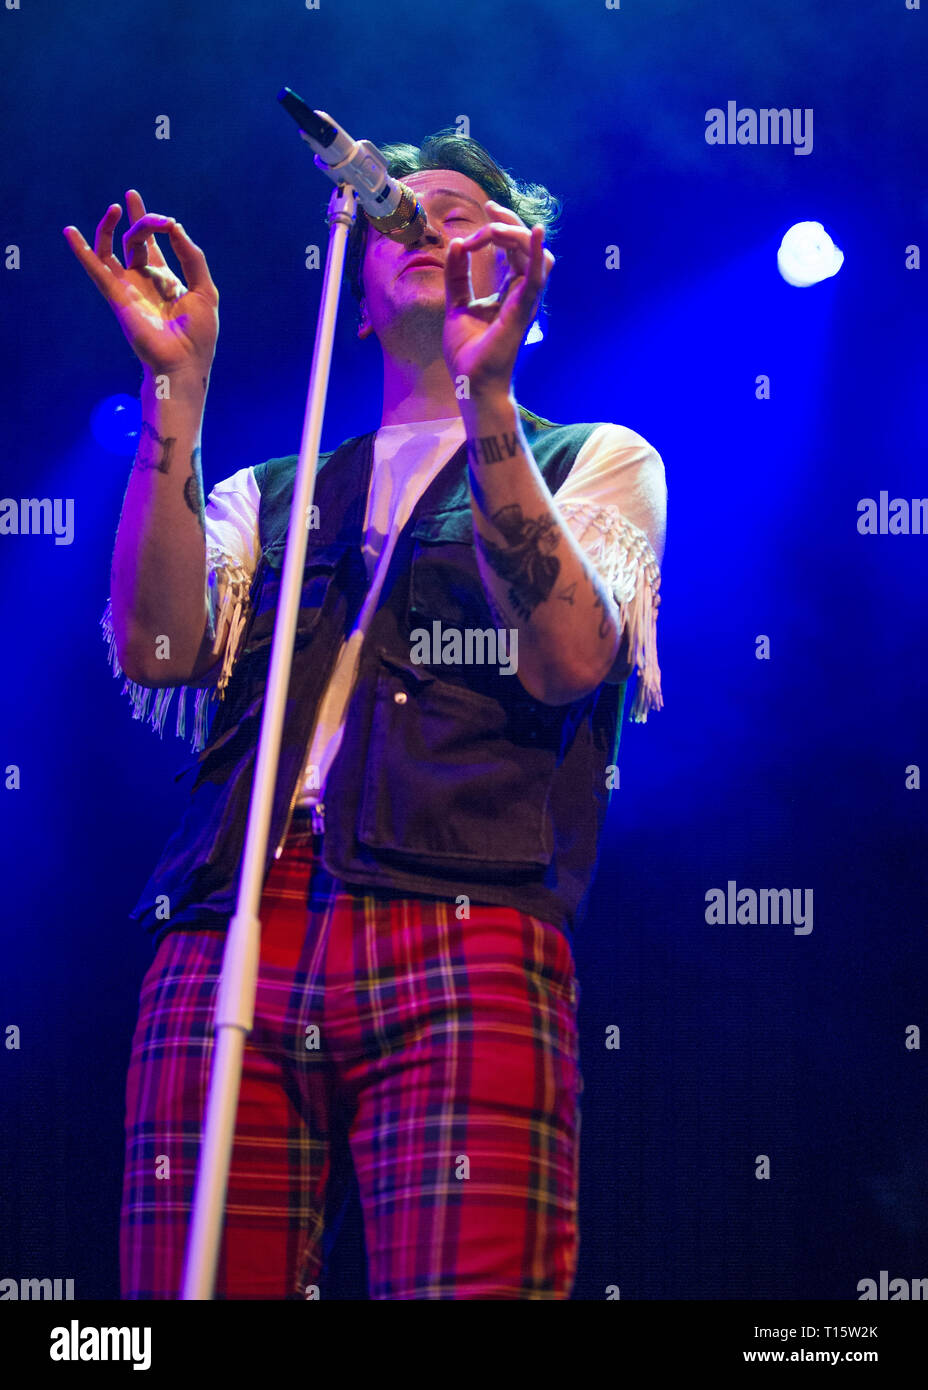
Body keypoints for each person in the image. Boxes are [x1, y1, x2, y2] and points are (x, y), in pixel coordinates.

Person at [64, 130, 666, 1300]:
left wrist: (485, 398)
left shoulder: (597, 456)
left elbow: (565, 661)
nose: (424, 221)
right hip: (234, 912)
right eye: (404, 207)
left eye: (461, 209)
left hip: (464, 914)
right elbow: (158, 646)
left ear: (523, 269)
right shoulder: (275, 485)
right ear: (356, 288)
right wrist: (174, 397)